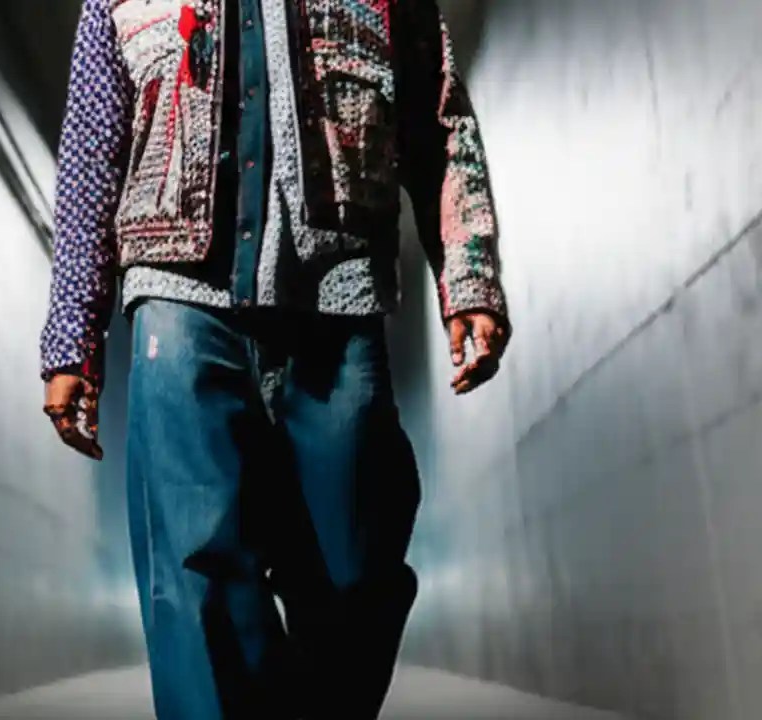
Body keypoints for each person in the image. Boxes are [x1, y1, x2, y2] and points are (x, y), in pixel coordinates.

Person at [39, 1, 509, 717]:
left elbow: (437, 118)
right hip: (180, 299)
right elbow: (90, 154)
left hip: (337, 295)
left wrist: (467, 274)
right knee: (198, 577)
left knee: (355, 569)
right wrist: (73, 334)